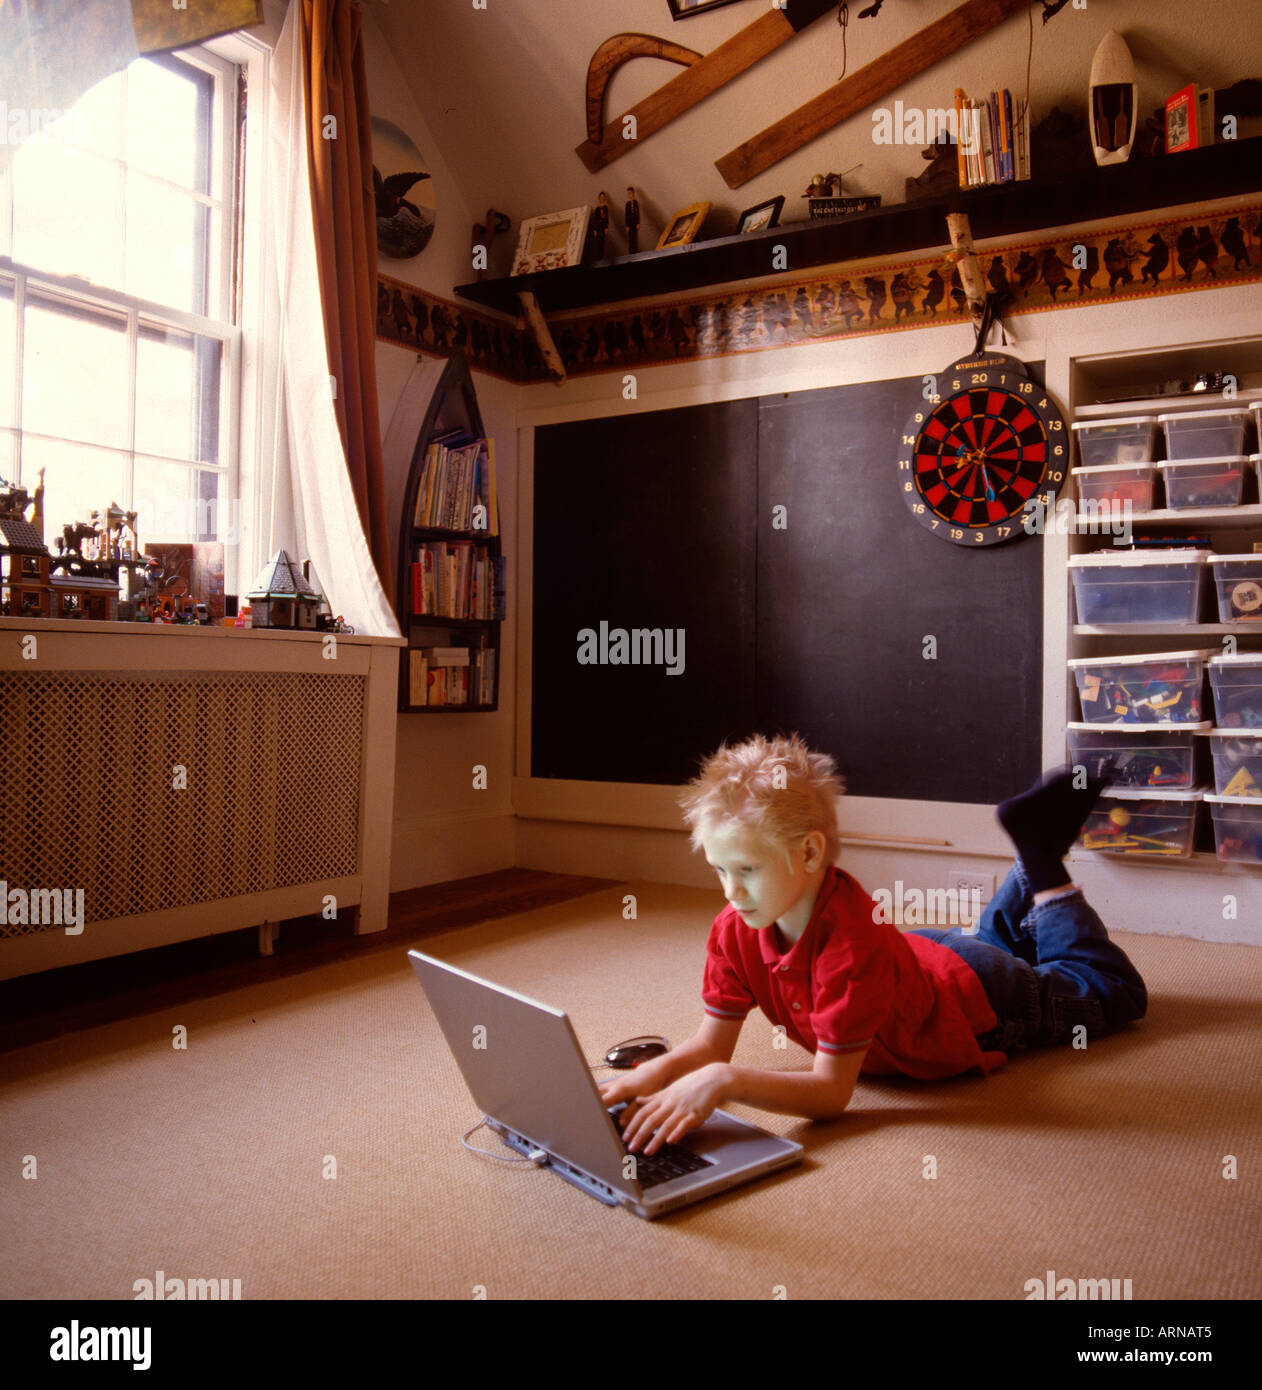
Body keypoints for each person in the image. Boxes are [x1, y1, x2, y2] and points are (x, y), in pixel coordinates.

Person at [599, 733, 1147, 1156]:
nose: (731, 891)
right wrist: (647, 1078)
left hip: (973, 998)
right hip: (921, 959)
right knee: (989, 944)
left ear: (811, 855)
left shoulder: (851, 949)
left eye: (746, 869)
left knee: (1113, 990)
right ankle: (1033, 852)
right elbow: (710, 1046)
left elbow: (832, 1093)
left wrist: (724, 1082)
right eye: (719, 868)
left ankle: (1040, 859)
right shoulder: (733, 927)